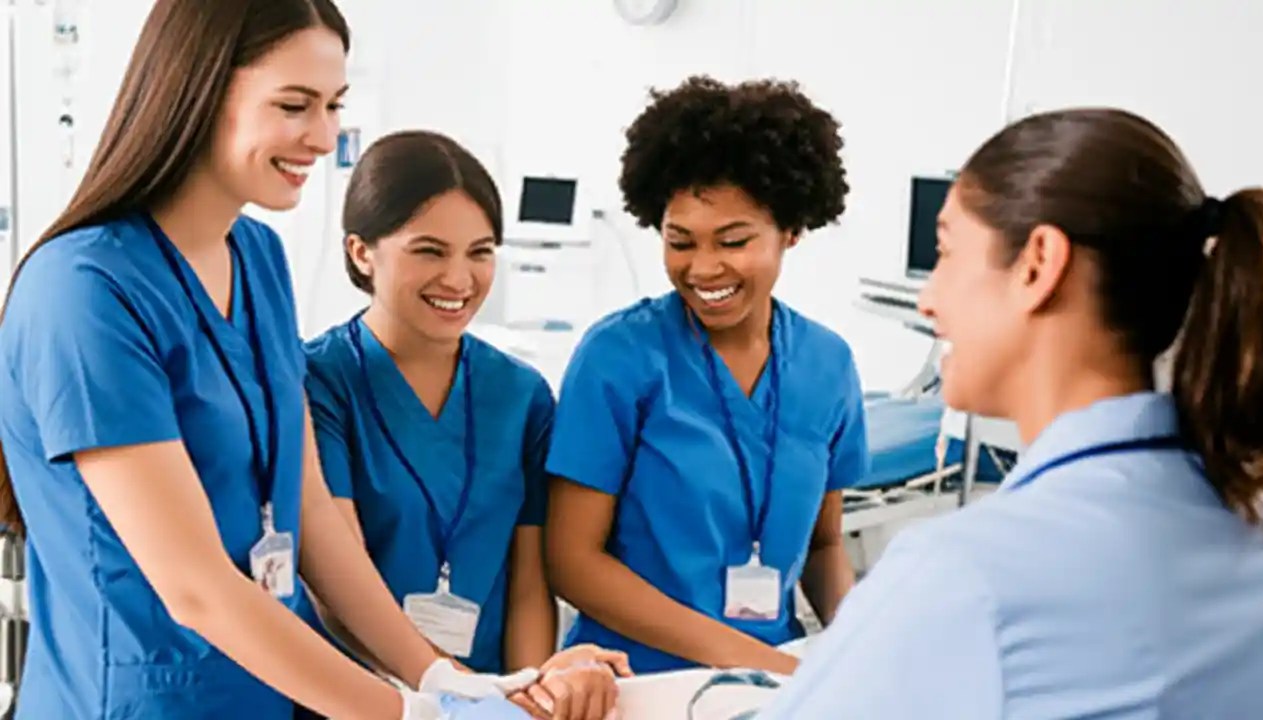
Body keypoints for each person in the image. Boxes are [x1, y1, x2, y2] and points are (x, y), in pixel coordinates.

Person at [0, 2, 548, 717]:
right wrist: (403, 715)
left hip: (265, 698)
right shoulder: (85, 291)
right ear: (198, 90)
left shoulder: (258, 258)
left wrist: (436, 675)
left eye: (333, 106)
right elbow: (193, 585)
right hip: (133, 702)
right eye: (295, 105)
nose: (324, 137)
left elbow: (310, 510)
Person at [760, 108, 1263, 718]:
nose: (927, 299)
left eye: (946, 252)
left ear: (1038, 265)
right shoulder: (1259, 533)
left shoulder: (964, 577)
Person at [544, 76, 869, 675]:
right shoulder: (620, 357)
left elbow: (824, 544)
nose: (703, 268)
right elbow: (571, 561)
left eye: (734, 241)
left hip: (772, 684)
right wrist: (756, 662)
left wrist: (856, 649)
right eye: (680, 242)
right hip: (631, 678)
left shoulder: (828, 364)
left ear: (791, 230)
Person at [301, 130, 629, 720]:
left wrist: (524, 693)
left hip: (492, 698)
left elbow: (531, 583)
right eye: (429, 250)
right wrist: (442, 696)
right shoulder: (321, 383)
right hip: (364, 696)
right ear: (360, 252)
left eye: (480, 252)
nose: (459, 278)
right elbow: (333, 583)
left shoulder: (522, 395)